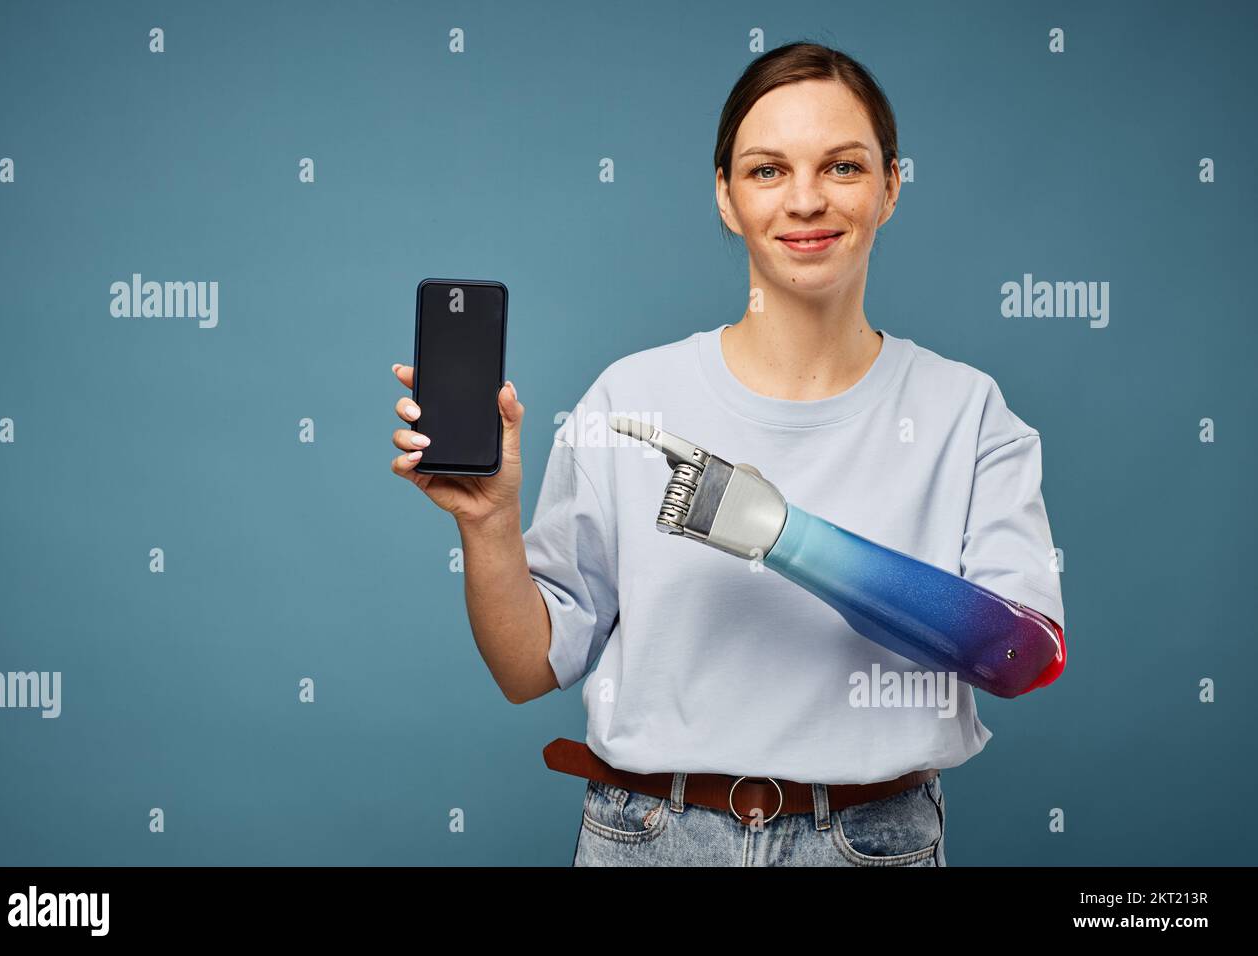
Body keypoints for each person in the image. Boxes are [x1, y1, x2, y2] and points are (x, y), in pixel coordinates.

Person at [390, 41, 1065, 867]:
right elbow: (530, 667)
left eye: (843, 167)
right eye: (768, 170)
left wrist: (779, 535)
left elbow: (1022, 656)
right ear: (725, 195)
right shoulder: (626, 397)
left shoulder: (967, 412)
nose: (807, 200)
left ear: (891, 186)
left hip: (869, 844)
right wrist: (490, 524)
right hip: (647, 838)